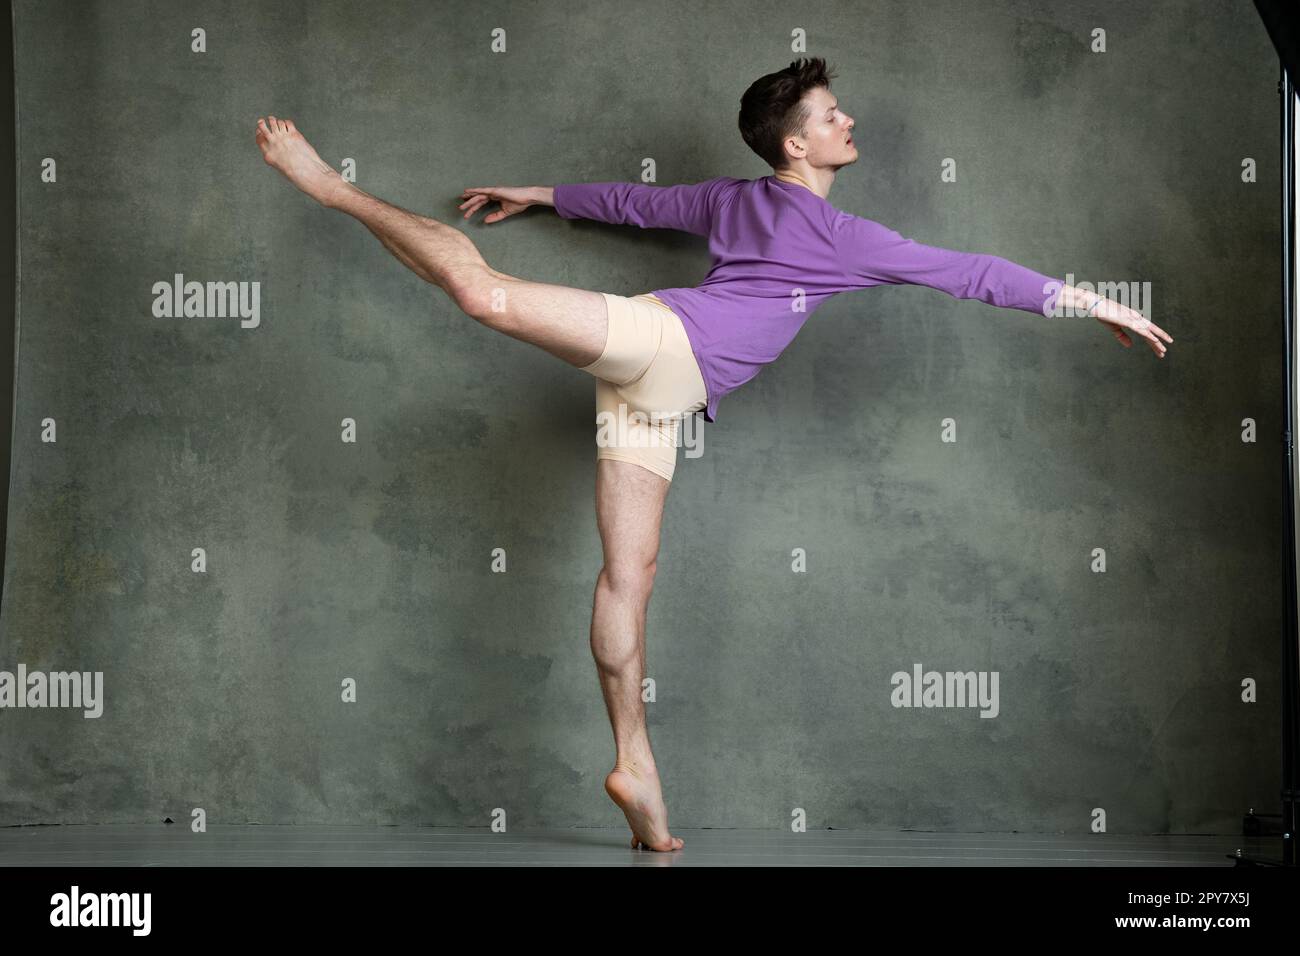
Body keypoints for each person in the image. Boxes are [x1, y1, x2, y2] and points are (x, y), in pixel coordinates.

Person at [254, 56, 1171, 853]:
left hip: (661, 395)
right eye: (829, 116)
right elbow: (972, 271)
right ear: (797, 146)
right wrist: (1094, 303)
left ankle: (636, 770)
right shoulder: (837, 235)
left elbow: (636, 203)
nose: (847, 121)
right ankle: (332, 186)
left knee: (628, 580)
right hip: (663, 346)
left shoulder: (737, 201)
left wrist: (539, 195)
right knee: (483, 297)